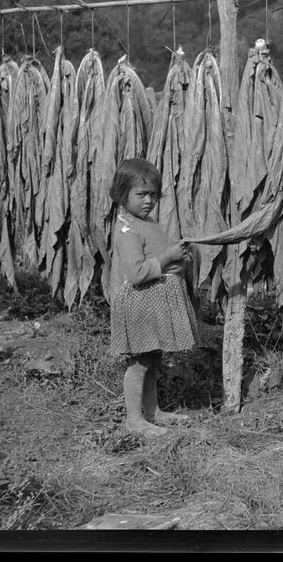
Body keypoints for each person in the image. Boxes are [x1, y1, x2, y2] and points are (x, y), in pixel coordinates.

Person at [107, 158, 200, 436]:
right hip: (139, 303)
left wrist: (179, 259)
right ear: (122, 194)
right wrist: (168, 257)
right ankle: (134, 420)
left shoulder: (147, 223)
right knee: (141, 362)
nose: (148, 201)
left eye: (153, 195)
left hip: (152, 301)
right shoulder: (127, 229)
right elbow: (136, 273)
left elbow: (156, 258)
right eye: (141, 194)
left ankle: (152, 412)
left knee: (153, 358)